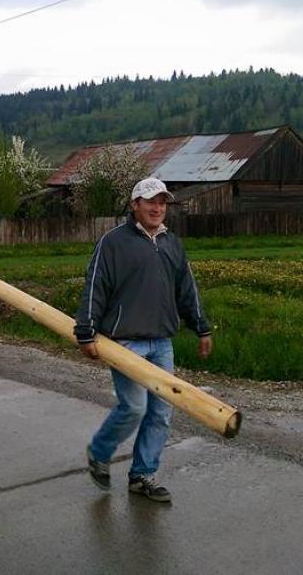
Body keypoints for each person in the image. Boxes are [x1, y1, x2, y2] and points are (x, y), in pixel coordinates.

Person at [74, 177, 212, 502]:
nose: (157, 208)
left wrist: (201, 327)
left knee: (161, 413)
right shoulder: (113, 242)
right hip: (126, 342)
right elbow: (95, 286)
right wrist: (86, 331)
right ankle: (100, 451)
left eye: (162, 202)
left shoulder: (171, 244)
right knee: (134, 407)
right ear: (134, 205)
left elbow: (186, 291)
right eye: (150, 201)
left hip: (162, 340)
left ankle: (142, 476)